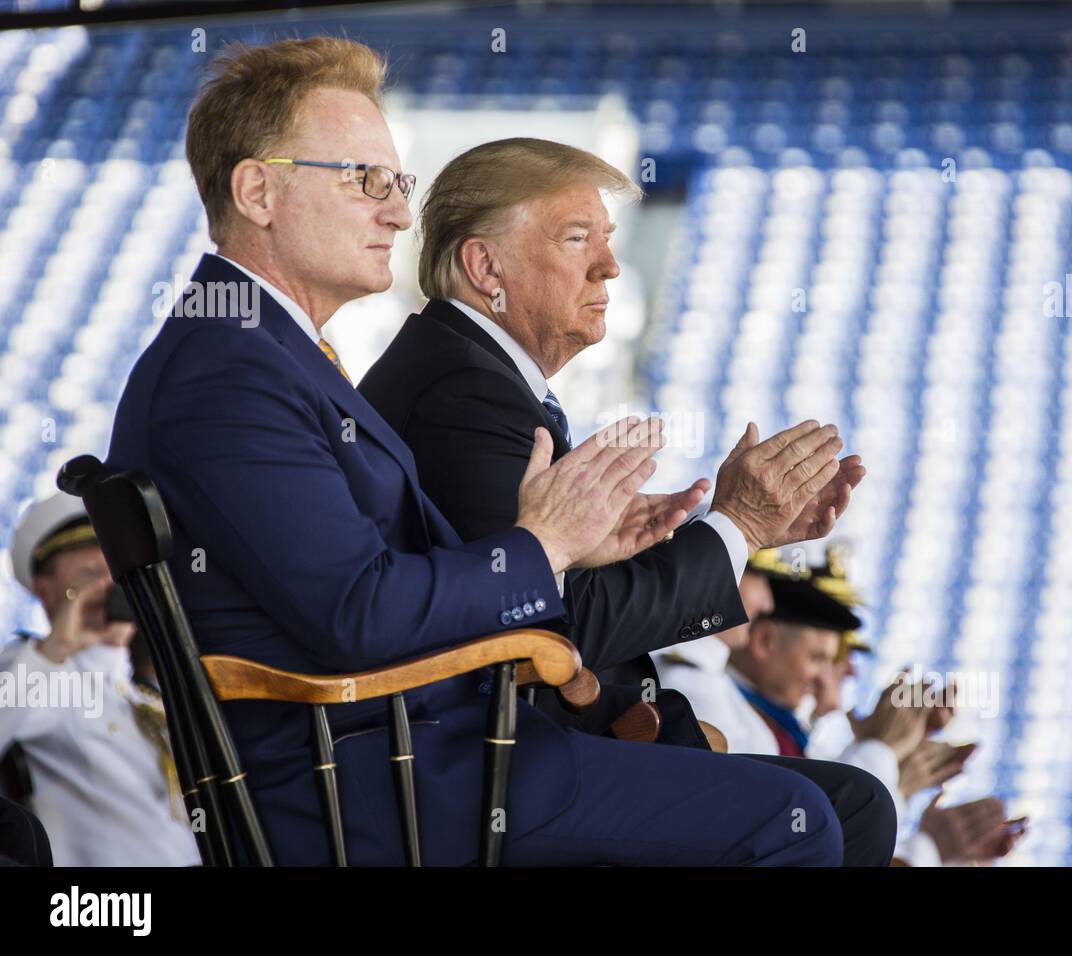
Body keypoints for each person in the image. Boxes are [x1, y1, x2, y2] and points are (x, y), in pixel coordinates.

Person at [103, 37, 847, 866]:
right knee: (798, 821)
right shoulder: (226, 377)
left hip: (418, 755)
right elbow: (358, 613)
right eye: (364, 180)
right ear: (258, 191)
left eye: (398, 183)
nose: (394, 211)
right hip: (385, 787)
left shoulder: (262, 353)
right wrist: (542, 547)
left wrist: (568, 545)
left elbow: (375, 581)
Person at [358, 137, 896, 865]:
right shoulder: (466, 394)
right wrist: (736, 529)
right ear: (486, 268)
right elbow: (562, 621)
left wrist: (739, 533)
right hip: (483, 766)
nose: (610, 264)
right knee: (821, 813)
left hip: (524, 734)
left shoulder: (474, 376)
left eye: (607, 241)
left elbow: (555, 595)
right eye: (578, 239)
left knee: (852, 806)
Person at [0, 493, 200, 865]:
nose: (112, 589)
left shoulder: (146, 692)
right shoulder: (40, 673)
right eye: (90, 576)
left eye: (119, 575)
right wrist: (57, 645)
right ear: (46, 594)